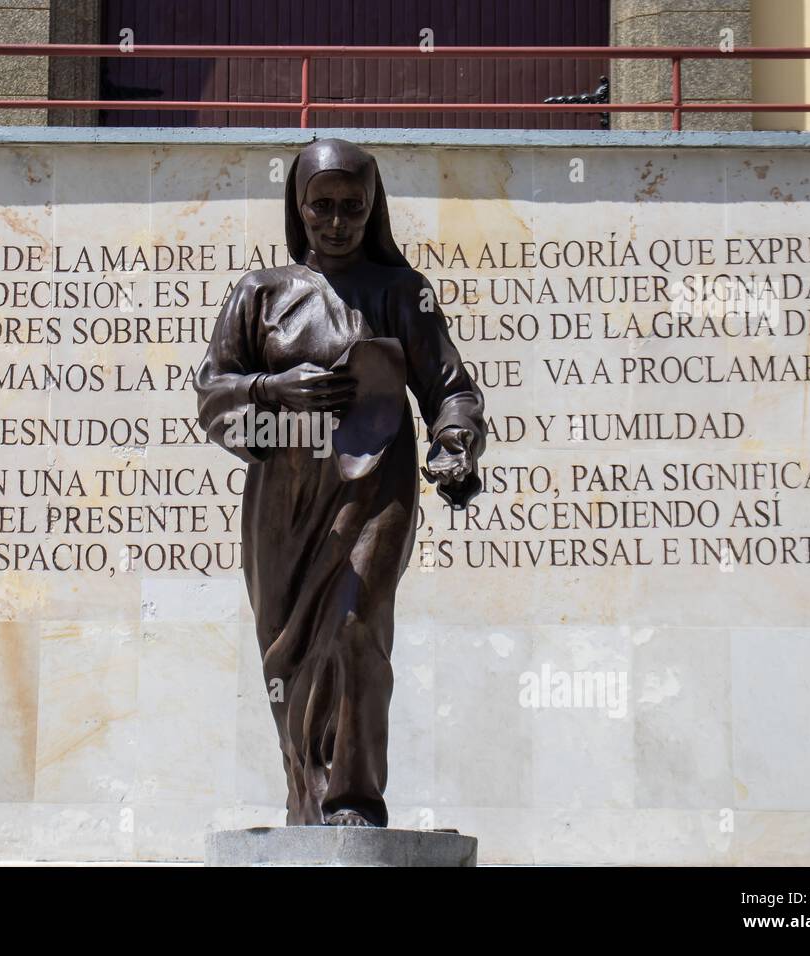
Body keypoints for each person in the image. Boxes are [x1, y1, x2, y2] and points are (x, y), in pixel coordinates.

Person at [194, 139, 486, 827]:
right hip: (286, 501)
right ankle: (308, 801)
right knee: (290, 654)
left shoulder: (399, 291)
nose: (336, 221)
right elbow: (213, 392)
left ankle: (355, 800)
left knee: (355, 626)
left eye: (352, 207)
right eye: (321, 206)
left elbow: (452, 390)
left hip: (376, 490)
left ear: (371, 208)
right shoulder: (259, 294)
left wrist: (456, 445)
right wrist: (274, 388)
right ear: (298, 209)